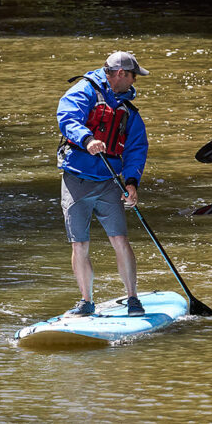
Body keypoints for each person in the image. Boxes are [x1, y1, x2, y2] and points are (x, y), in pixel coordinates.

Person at [56, 51, 150, 317]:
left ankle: (133, 298)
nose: (134, 82)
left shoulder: (128, 110)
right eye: (133, 77)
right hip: (76, 178)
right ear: (121, 74)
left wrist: (132, 183)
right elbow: (67, 117)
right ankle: (86, 302)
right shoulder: (84, 91)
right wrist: (87, 139)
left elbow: (136, 149)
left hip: (109, 181)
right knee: (80, 244)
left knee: (120, 239)